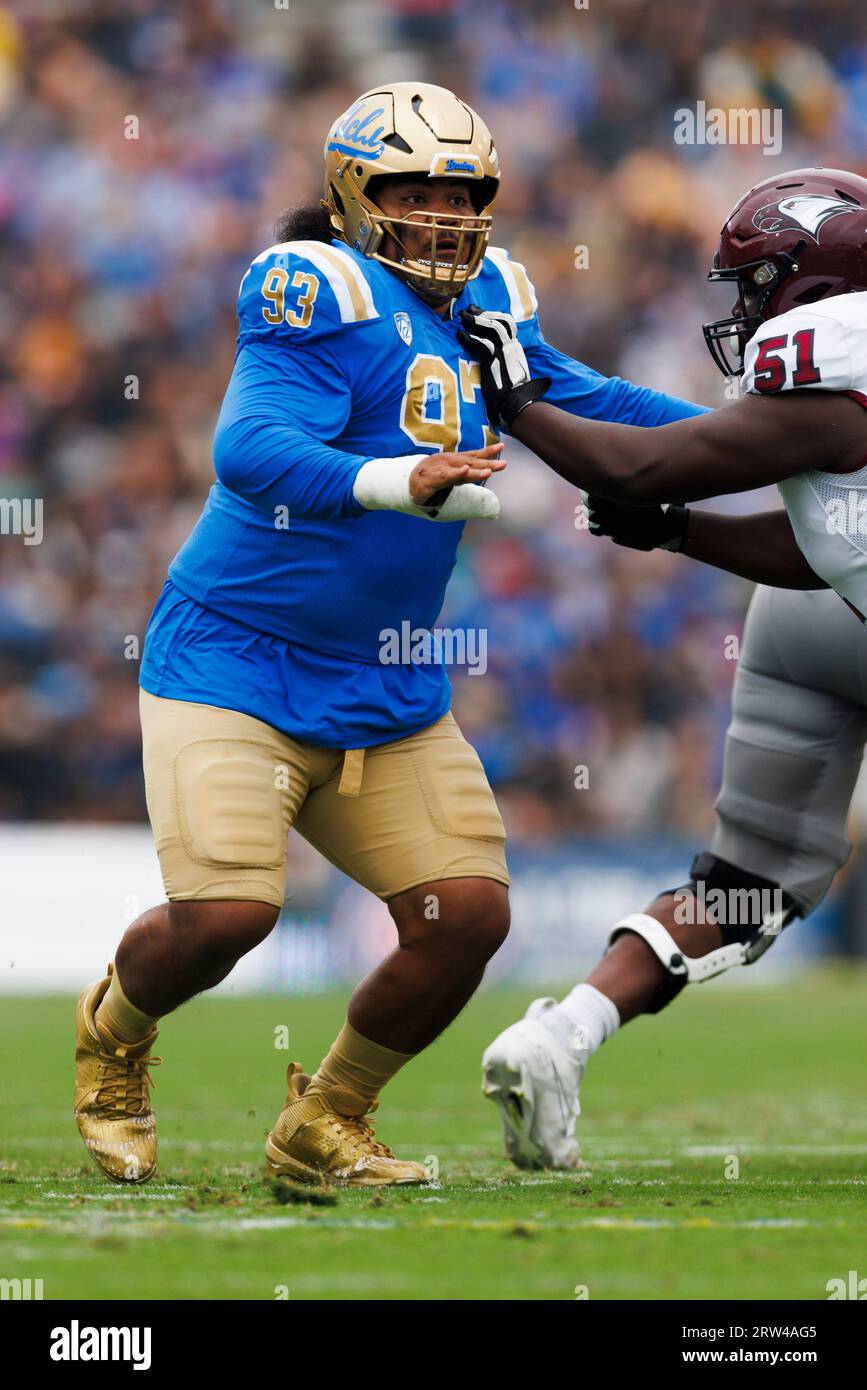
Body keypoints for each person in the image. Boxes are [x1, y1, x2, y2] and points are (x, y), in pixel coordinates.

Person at [74, 81, 704, 1188]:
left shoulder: (491, 295)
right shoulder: (312, 283)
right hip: (236, 658)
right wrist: (394, 476)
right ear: (354, 195)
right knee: (227, 914)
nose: (445, 214)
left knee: (464, 915)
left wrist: (764, 442)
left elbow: (581, 395)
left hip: (385, 681)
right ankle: (116, 1031)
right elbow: (251, 448)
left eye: (463, 192)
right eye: (415, 191)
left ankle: (326, 1120)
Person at [459, 166, 867, 1168]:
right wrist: (682, 533)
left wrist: (518, 405)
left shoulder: (836, 373)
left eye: (759, 281)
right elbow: (830, 543)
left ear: (818, 283)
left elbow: (633, 464)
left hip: (822, 619)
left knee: (744, 884)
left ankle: (564, 1032)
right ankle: (566, 1038)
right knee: (744, 882)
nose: (745, 307)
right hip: (832, 600)